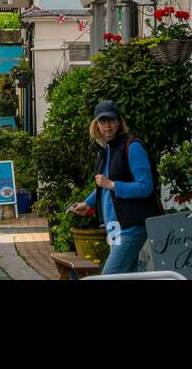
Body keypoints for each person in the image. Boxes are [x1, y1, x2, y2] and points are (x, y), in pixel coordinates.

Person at [69, 100, 155, 275]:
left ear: (119, 122)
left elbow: (145, 187)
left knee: (108, 277)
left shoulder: (132, 146)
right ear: (96, 125)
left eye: (112, 120)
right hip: (114, 226)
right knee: (128, 277)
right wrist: (88, 203)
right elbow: (104, 185)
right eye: (103, 121)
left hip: (131, 226)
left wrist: (112, 184)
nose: (107, 125)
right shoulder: (107, 149)